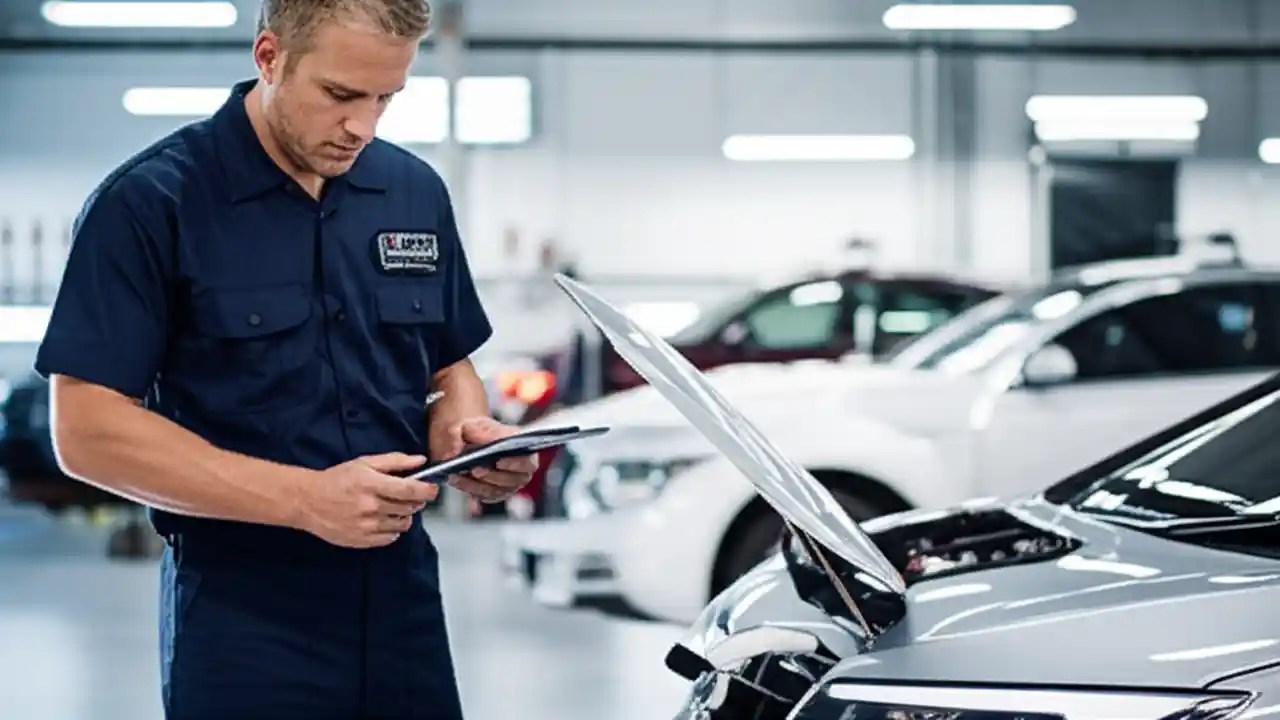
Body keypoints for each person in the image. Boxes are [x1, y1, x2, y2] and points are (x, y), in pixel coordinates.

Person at [33, 0, 537, 717]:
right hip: (243, 617)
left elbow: (448, 366)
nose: (363, 125)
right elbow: (85, 431)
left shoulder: (412, 192)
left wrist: (466, 434)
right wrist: (306, 500)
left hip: (403, 603)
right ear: (269, 57)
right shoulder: (150, 204)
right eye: (340, 95)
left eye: (386, 97)